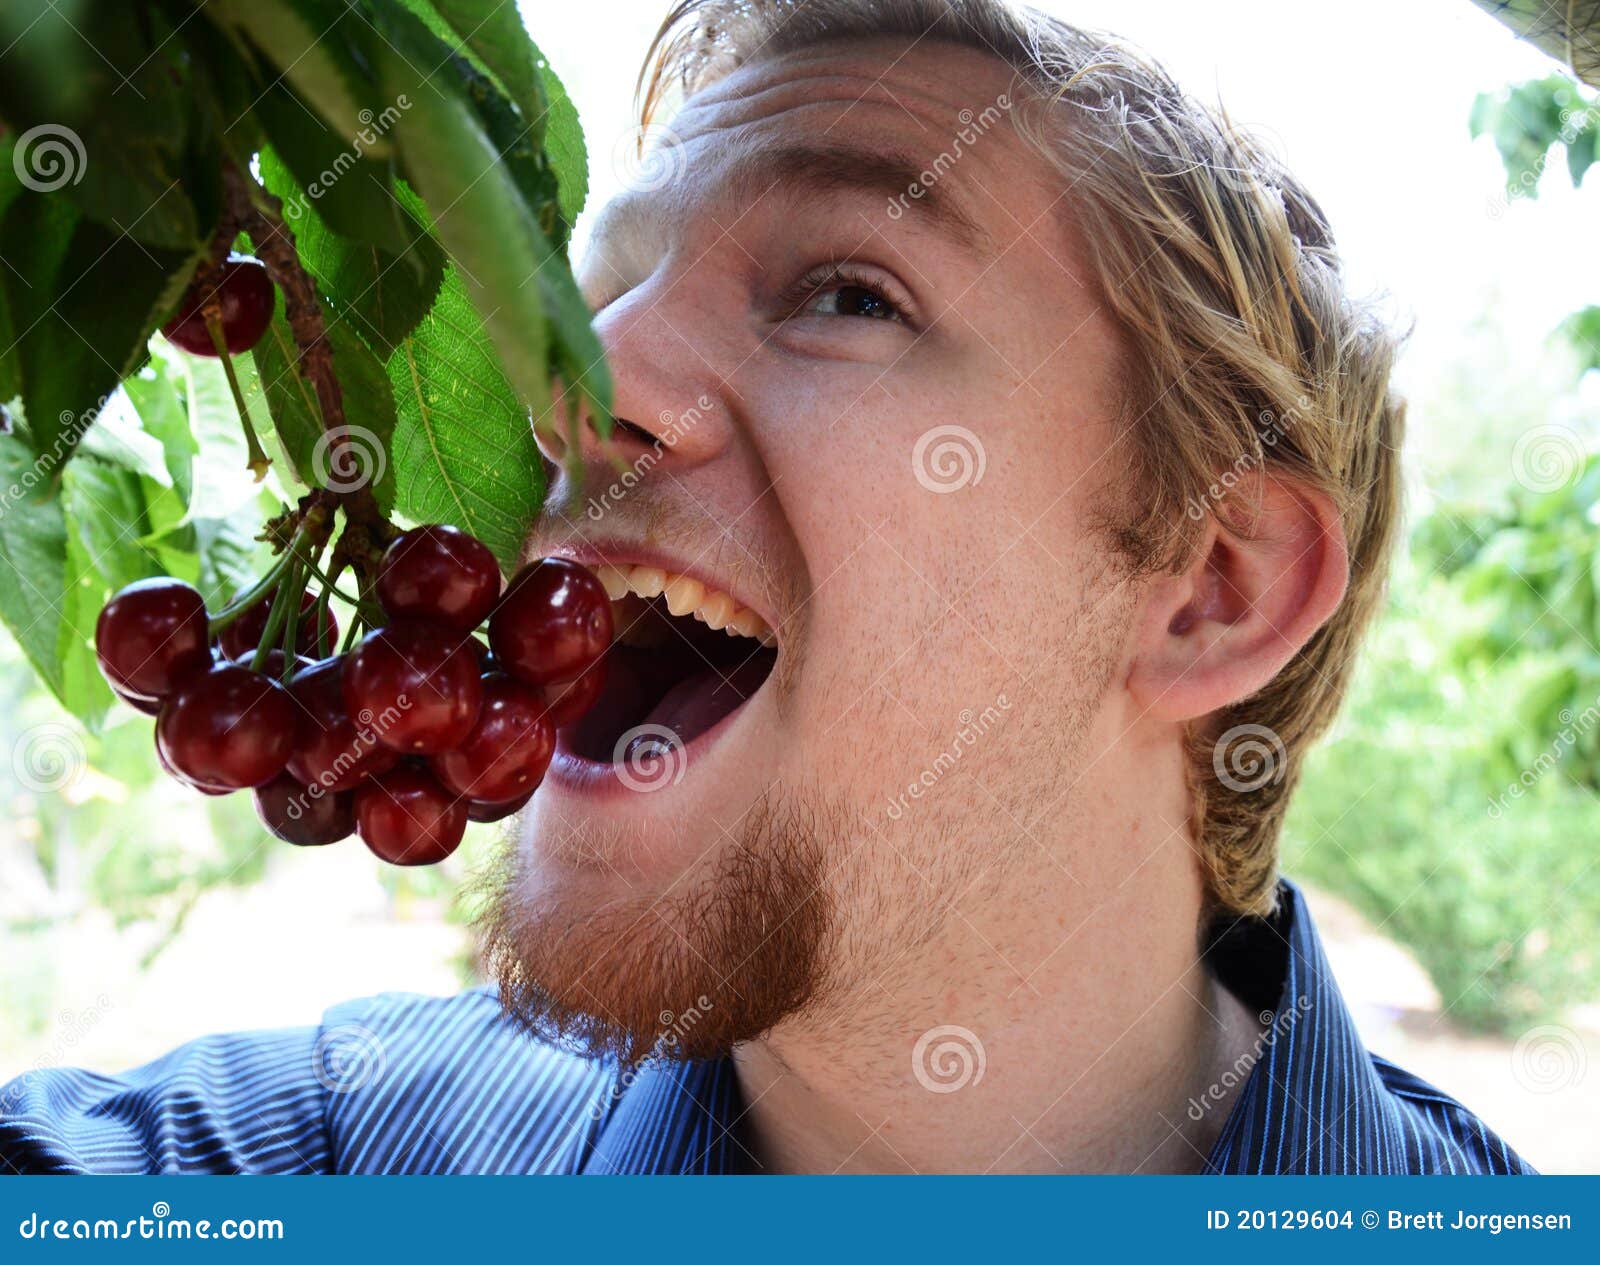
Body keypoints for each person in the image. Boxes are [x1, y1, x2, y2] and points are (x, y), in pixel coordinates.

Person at [0, 0, 1532, 1175]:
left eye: (848, 295)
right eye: (586, 299)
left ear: (1214, 588)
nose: (572, 394)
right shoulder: (316, 1156)